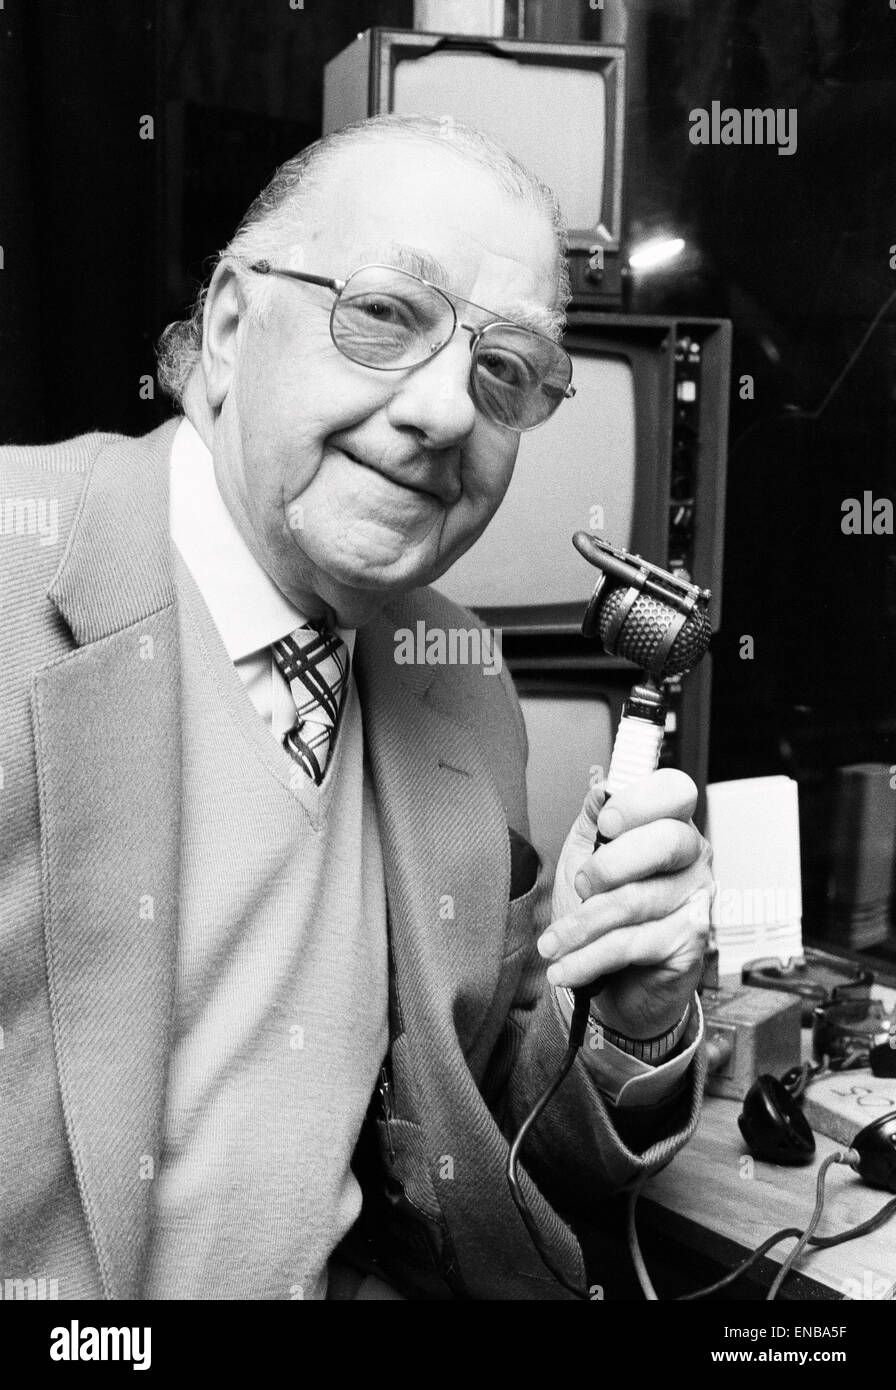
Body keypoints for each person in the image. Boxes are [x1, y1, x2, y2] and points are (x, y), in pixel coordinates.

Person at [0, 114, 712, 1301]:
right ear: (229, 326)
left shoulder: (460, 681)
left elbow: (484, 1143)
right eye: (383, 313)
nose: (446, 414)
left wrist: (630, 1016)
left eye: (504, 371)